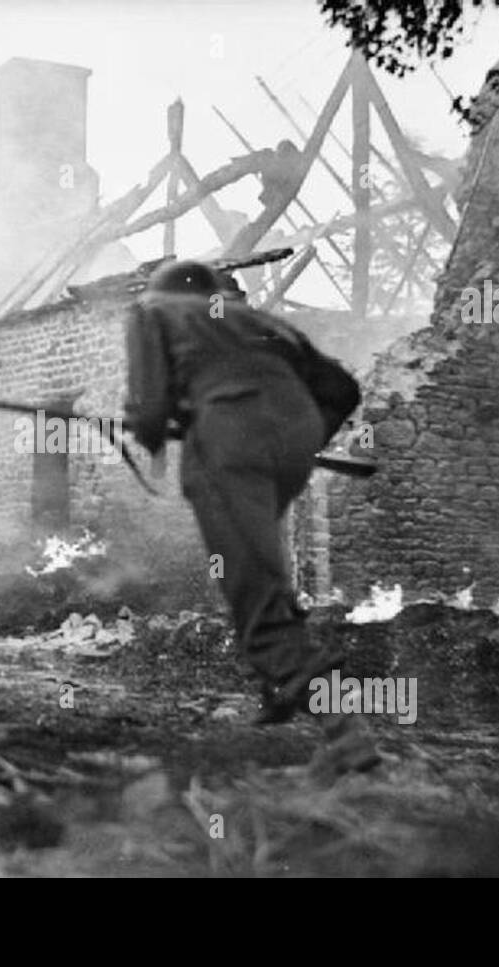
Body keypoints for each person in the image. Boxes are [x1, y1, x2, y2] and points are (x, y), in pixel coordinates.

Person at [125, 259, 379, 775]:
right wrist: (301, 440)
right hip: (294, 439)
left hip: (228, 442)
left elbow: (148, 409)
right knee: (263, 566)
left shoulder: (151, 310)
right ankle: (280, 683)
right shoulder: (267, 323)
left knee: (253, 588)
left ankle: (344, 731)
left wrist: (151, 430)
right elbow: (343, 391)